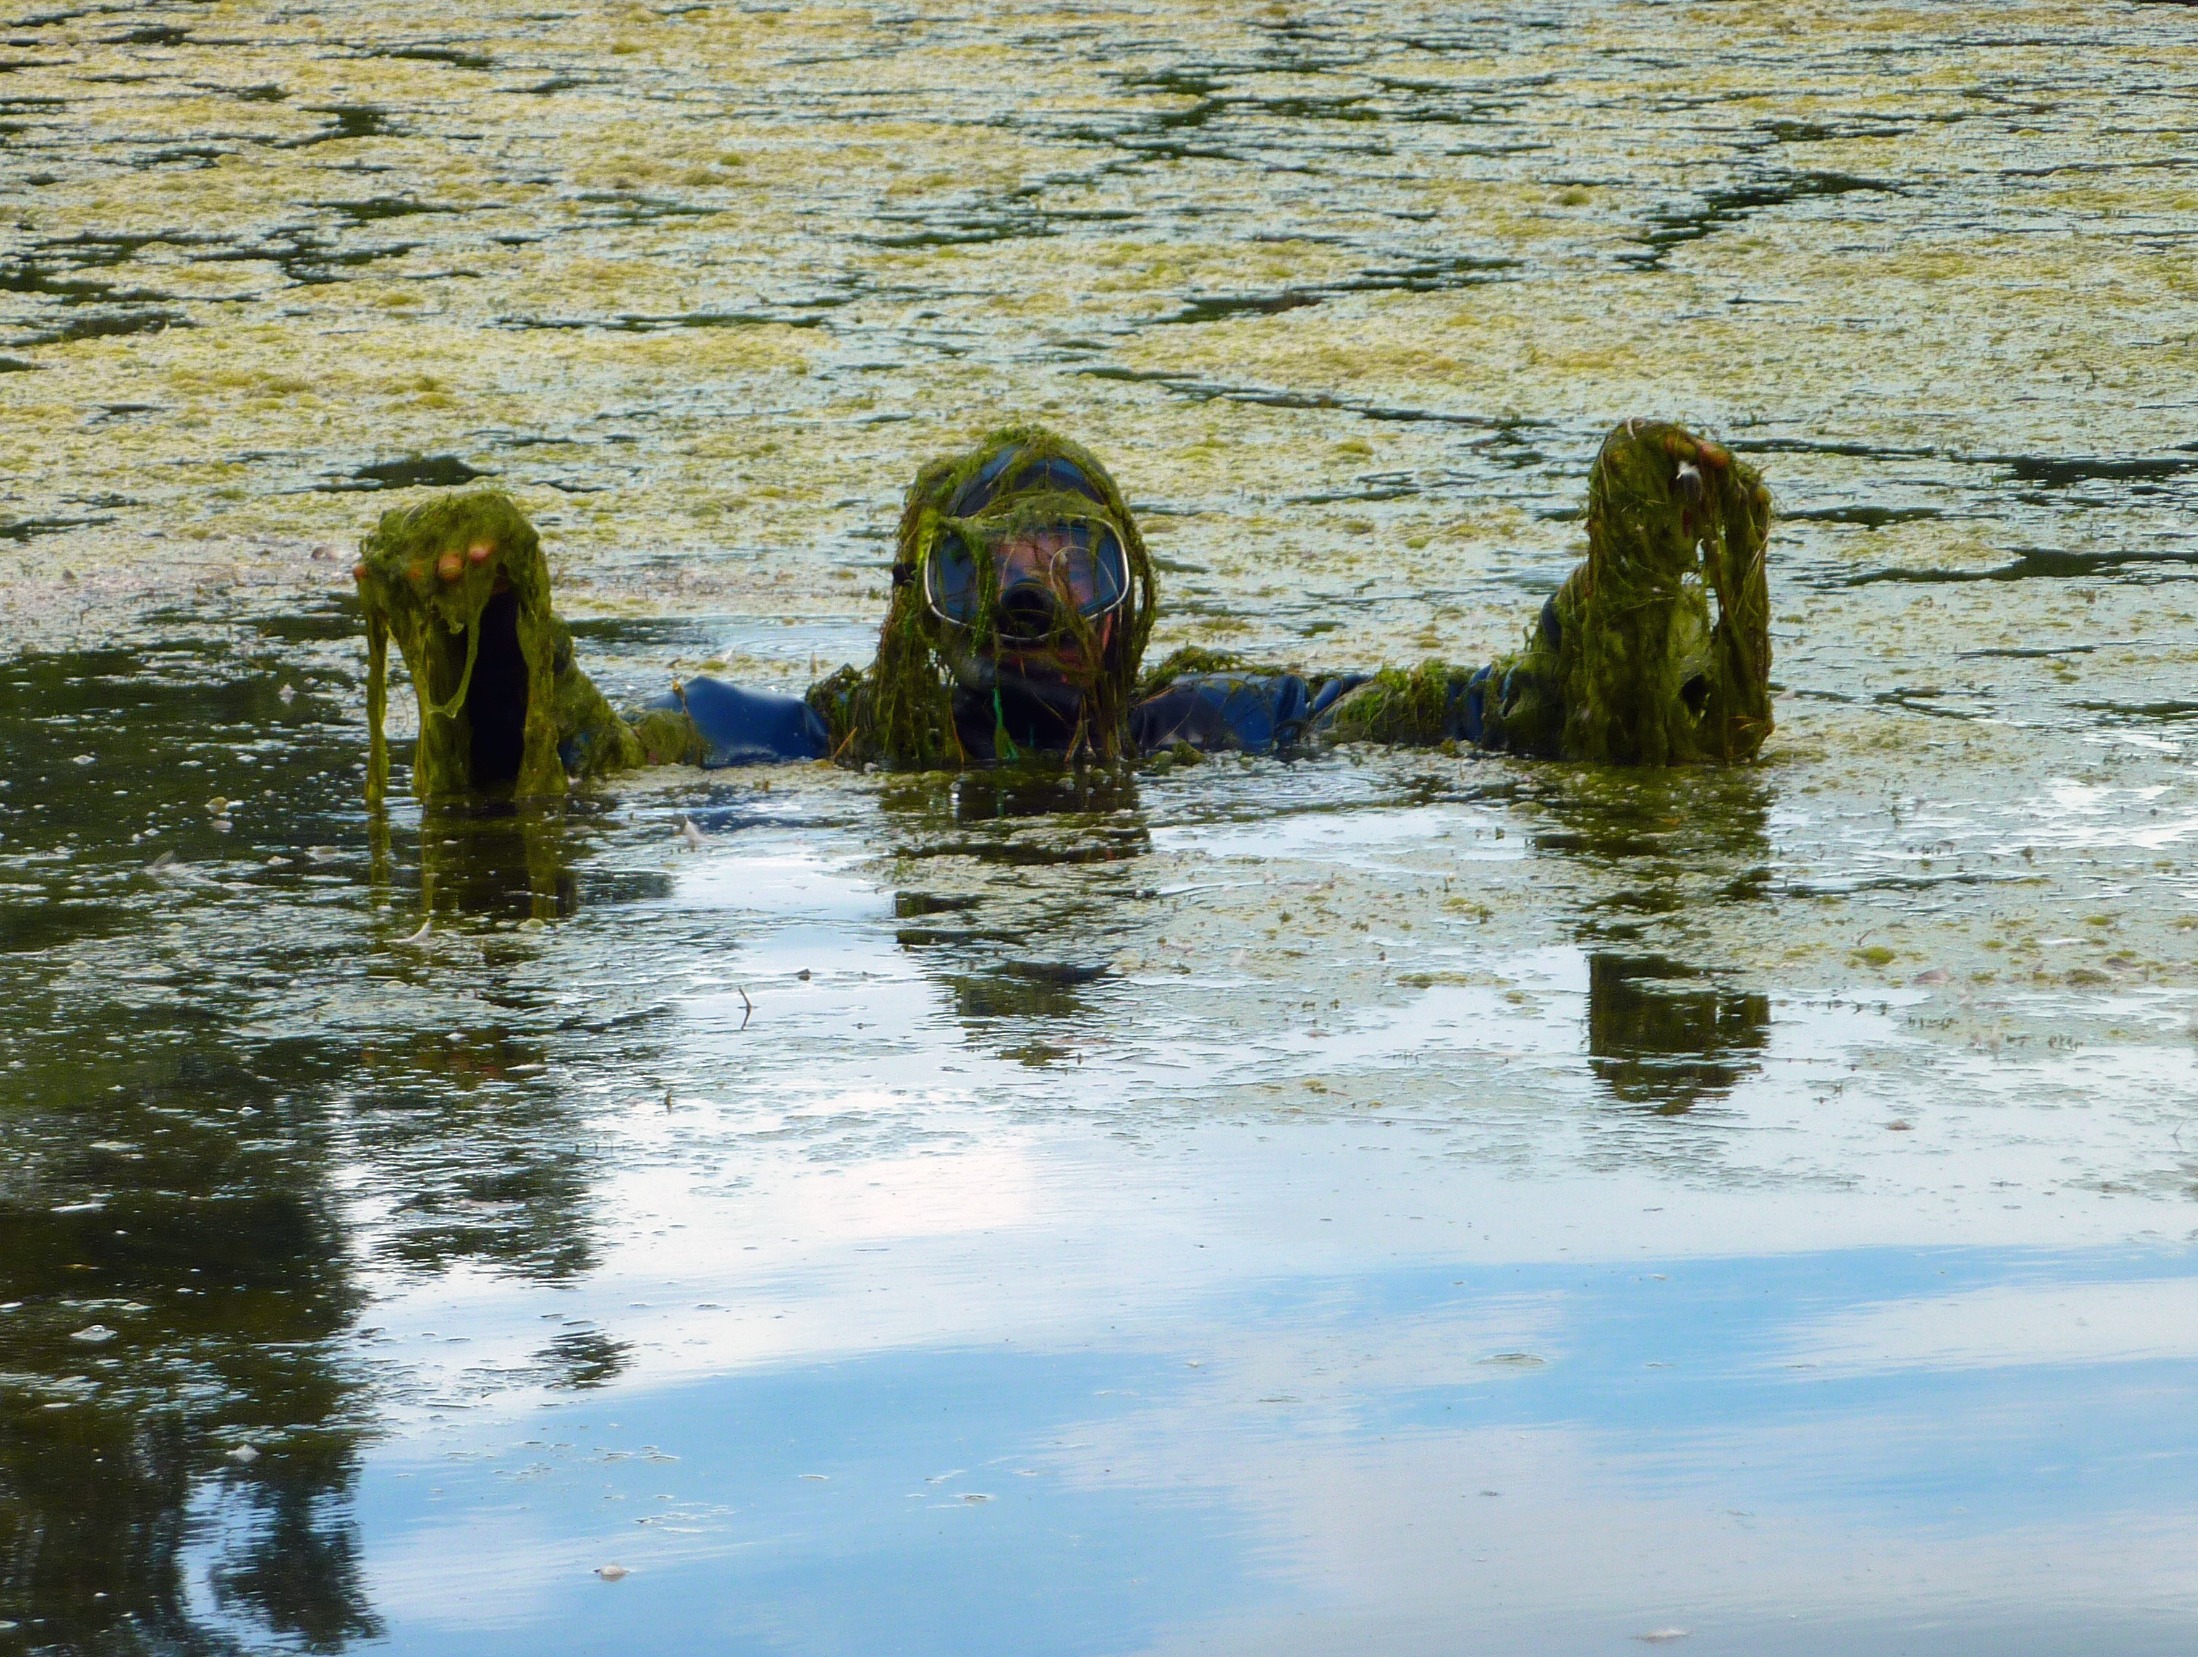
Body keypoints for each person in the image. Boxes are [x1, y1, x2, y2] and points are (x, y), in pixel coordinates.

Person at [353, 418, 1772, 805]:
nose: (1036, 614)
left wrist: (1627, 576)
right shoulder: (846, 739)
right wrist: (495, 646)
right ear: (929, 608)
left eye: (1072, 573)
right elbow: (609, 760)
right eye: (994, 581)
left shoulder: (1201, 722)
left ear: (1126, 596)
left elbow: (1488, 715)